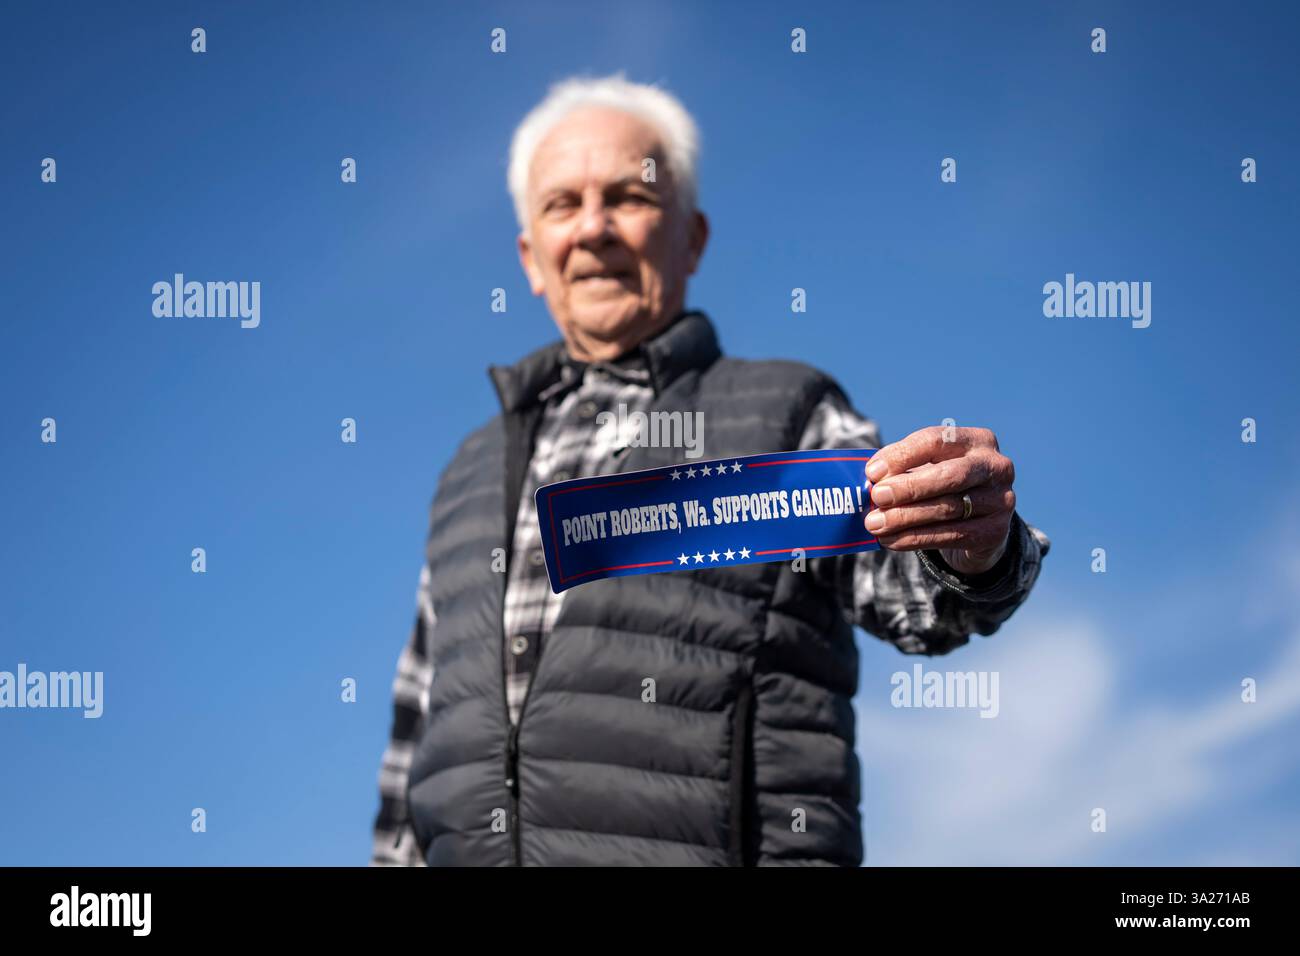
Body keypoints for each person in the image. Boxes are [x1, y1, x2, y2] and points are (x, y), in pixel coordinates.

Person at [371, 74, 1050, 866]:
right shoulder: (467, 476)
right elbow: (414, 744)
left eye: (629, 196)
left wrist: (973, 546)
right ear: (530, 255)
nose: (594, 229)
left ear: (690, 238)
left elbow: (916, 594)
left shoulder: (785, 415)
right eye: (562, 204)